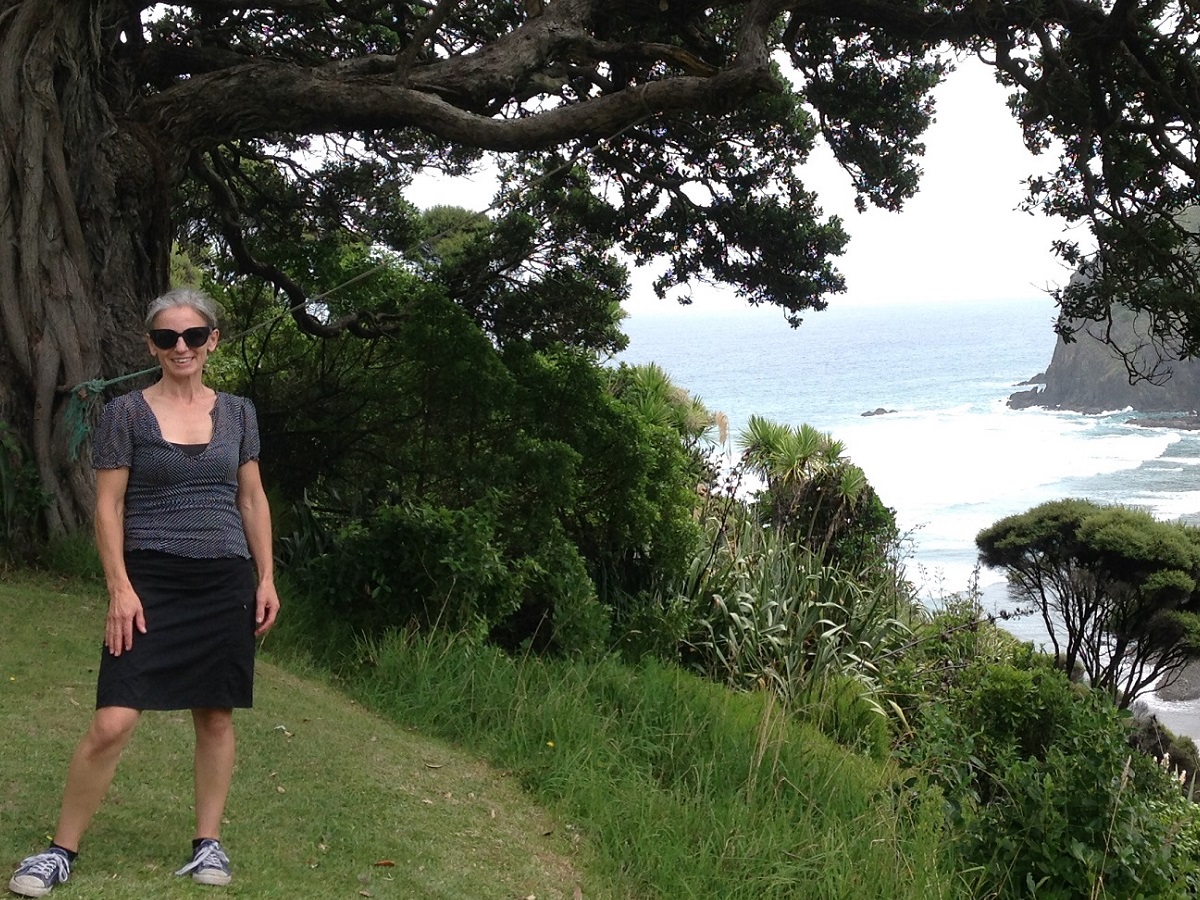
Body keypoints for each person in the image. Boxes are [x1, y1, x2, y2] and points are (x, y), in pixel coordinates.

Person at [8, 287, 280, 898]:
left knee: (214, 714)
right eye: (165, 337)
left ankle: (208, 843)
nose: (178, 347)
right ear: (150, 345)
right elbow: (108, 506)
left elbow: (251, 497)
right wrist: (120, 589)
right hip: (150, 579)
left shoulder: (238, 412)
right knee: (113, 720)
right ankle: (59, 851)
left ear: (212, 340)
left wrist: (265, 577)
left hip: (225, 577)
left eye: (190, 336)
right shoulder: (125, 413)